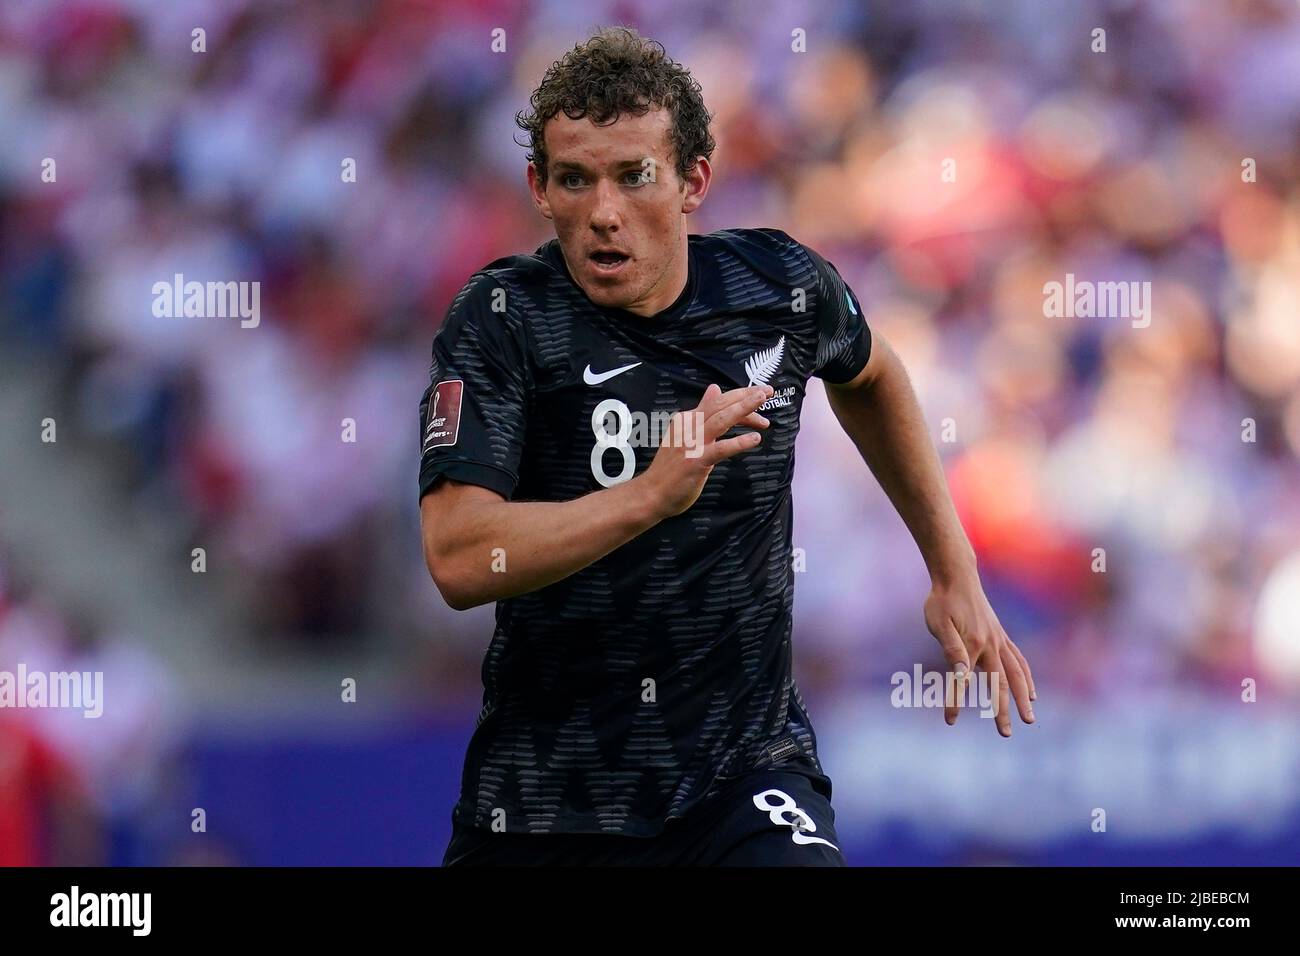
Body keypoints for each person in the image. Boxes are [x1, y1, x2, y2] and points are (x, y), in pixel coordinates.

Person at [418, 26, 1036, 866]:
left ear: (692, 182)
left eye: (634, 176)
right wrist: (647, 496)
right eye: (575, 179)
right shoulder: (503, 318)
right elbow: (459, 557)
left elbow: (874, 375)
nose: (604, 212)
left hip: (742, 773)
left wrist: (952, 567)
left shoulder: (780, 288)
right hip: (549, 798)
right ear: (539, 187)